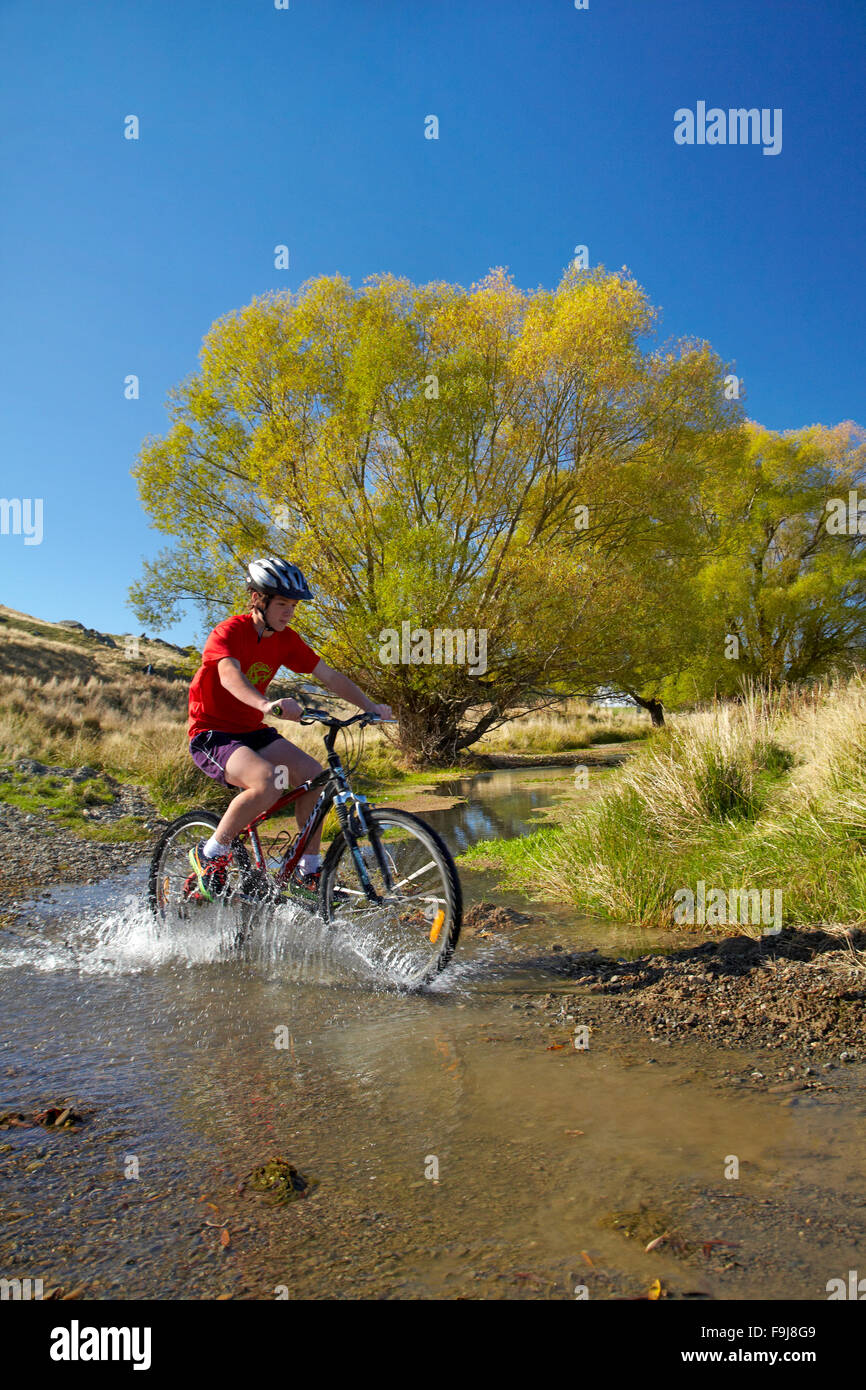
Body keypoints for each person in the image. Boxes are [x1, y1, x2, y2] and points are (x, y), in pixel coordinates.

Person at [187, 557, 392, 899]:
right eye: (282, 603)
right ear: (257, 598)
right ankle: (209, 854)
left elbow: (329, 676)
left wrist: (369, 707)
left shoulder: (286, 640)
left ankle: (307, 872)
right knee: (267, 782)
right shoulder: (228, 632)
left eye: (293, 605)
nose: (289, 612)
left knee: (314, 778)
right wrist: (267, 705)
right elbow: (229, 676)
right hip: (213, 734)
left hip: (253, 731)